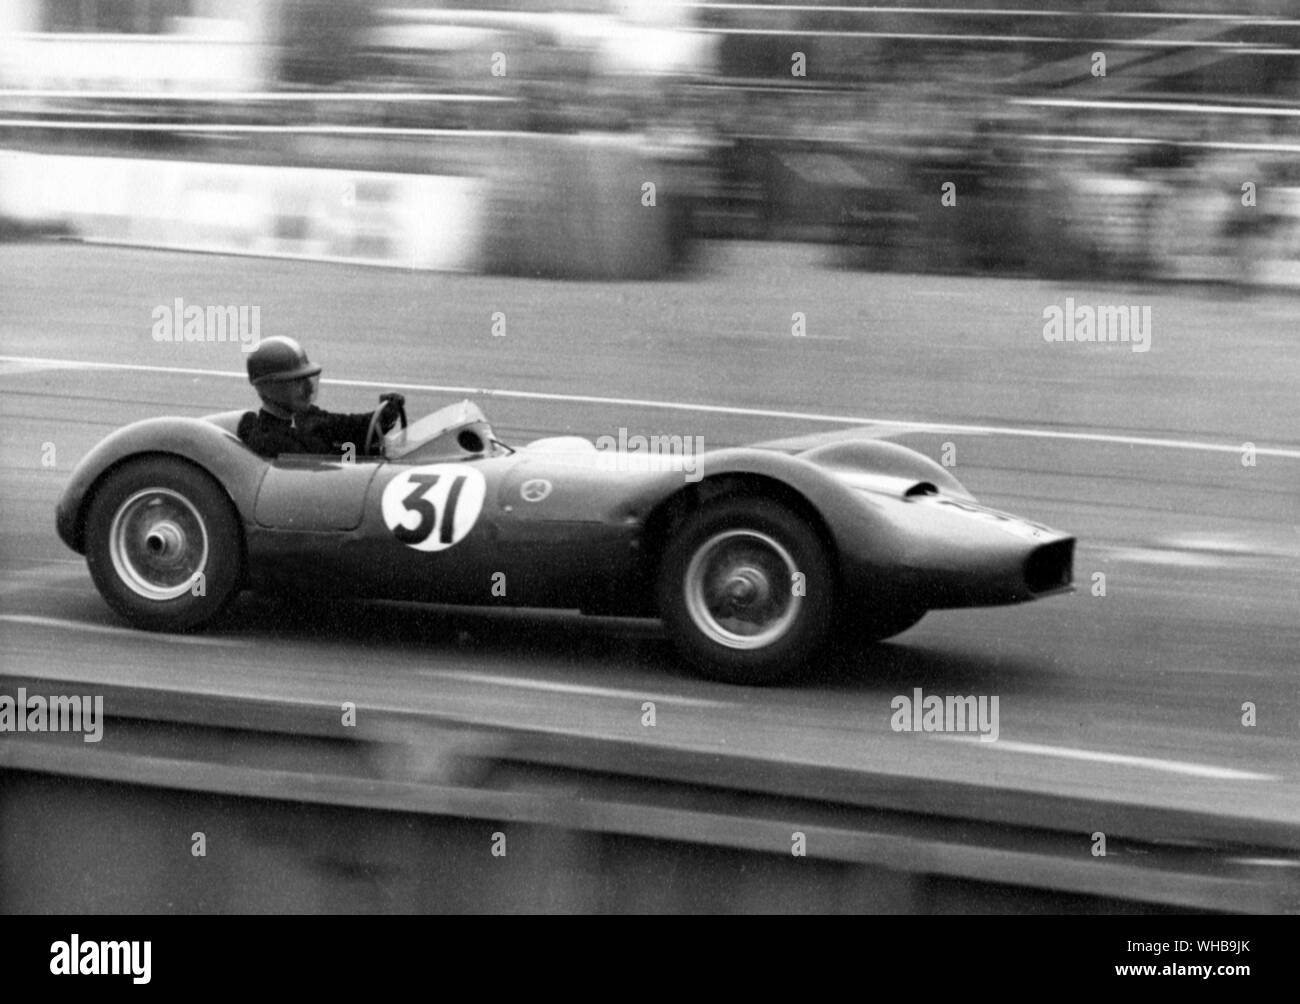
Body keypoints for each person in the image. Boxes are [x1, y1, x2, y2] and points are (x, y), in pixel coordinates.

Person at [237, 337, 404, 458]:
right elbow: (330, 467)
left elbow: (347, 426)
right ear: (272, 388)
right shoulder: (269, 441)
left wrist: (385, 414)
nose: (308, 389)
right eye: (297, 383)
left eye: (307, 380)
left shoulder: (305, 416)